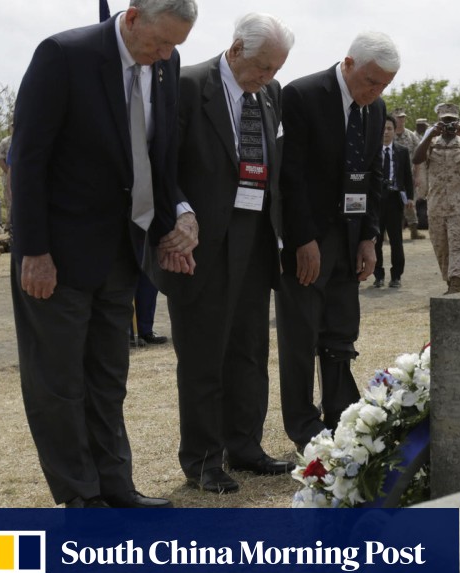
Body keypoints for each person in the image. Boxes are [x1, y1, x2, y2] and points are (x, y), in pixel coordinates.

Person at [11, 0, 199, 508]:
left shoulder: (164, 63)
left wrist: (176, 217)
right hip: (58, 256)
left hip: (123, 251)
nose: (164, 57)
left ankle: (117, 487)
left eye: (175, 48)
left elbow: (159, 158)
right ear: (133, 18)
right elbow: (27, 159)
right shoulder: (62, 55)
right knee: (59, 385)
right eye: (160, 43)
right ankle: (80, 499)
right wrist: (33, 250)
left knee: (107, 379)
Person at [151, 12, 293, 493]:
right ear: (235, 51)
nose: (267, 78)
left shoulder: (269, 94)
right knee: (203, 352)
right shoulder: (188, 85)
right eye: (261, 67)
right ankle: (205, 459)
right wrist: (180, 214)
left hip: (254, 237)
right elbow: (160, 161)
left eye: (275, 69)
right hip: (201, 238)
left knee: (250, 348)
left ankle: (245, 446)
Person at [276, 31, 396, 451]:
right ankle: (303, 425)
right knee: (301, 335)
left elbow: (374, 176)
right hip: (308, 240)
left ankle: (341, 412)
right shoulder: (302, 95)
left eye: (384, 85)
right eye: (370, 81)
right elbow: (289, 176)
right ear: (348, 64)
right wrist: (302, 238)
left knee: (341, 331)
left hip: (350, 239)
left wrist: (370, 237)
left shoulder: (375, 109)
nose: (375, 91)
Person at [414, 103, 460, 294]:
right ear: (439, 122)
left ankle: (455, 284)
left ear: (458, 121)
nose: (449, 125)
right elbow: (416, 159)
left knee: (458, 247)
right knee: (441, 249)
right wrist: (430, 134)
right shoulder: (431, 143)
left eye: (452, 121)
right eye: (445, 121)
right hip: (436, 206)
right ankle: (449, 282)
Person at [373, 117, 415, 289]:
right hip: (376, 200)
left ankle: (396, 275)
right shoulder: (373, 150)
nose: (386, 132)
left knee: (396, 240)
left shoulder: (402, 151)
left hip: (394, 199)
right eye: (383, 128)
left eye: (389, 128)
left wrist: (410, 197)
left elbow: (407, 176)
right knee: (376, 239)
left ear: (394, 130)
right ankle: (378, 275)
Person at [390, 108, 422, 240]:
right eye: (398, 117)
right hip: (391, 175)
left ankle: (413, 229)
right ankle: (387, 231)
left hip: (407, 175)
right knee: (390, 203)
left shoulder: (410, 135)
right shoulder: (387, 134)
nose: (401, 120)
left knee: (410, 202)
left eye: (403, 117)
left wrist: (417, 174)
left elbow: (419, 156)